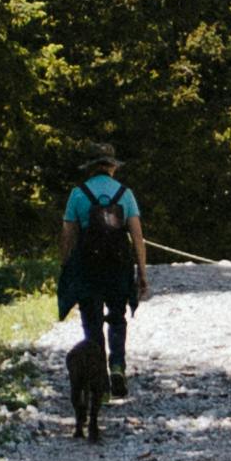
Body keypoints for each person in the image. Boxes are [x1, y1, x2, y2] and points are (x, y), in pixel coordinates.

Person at [59, 143, 146, 391]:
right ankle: (117, 366)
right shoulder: (125, 194)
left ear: (90, 168)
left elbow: (68, 234)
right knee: (117, 317)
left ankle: (99, 380)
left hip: (88, 266)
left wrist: (65, 265)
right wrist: (142, 271)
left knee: (92, 321)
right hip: (118, 265)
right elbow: (137, 237)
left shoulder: (78, 194)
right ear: (111, 167)